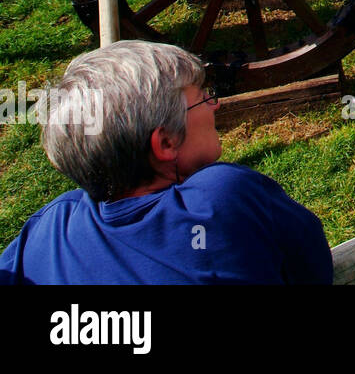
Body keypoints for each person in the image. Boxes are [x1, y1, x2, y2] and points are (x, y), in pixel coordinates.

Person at [0, 41, 332, 284]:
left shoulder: (50, 227)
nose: (213, 105)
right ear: (165, 143)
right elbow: (313, 270)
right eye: (201, 97)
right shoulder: (220, 197)